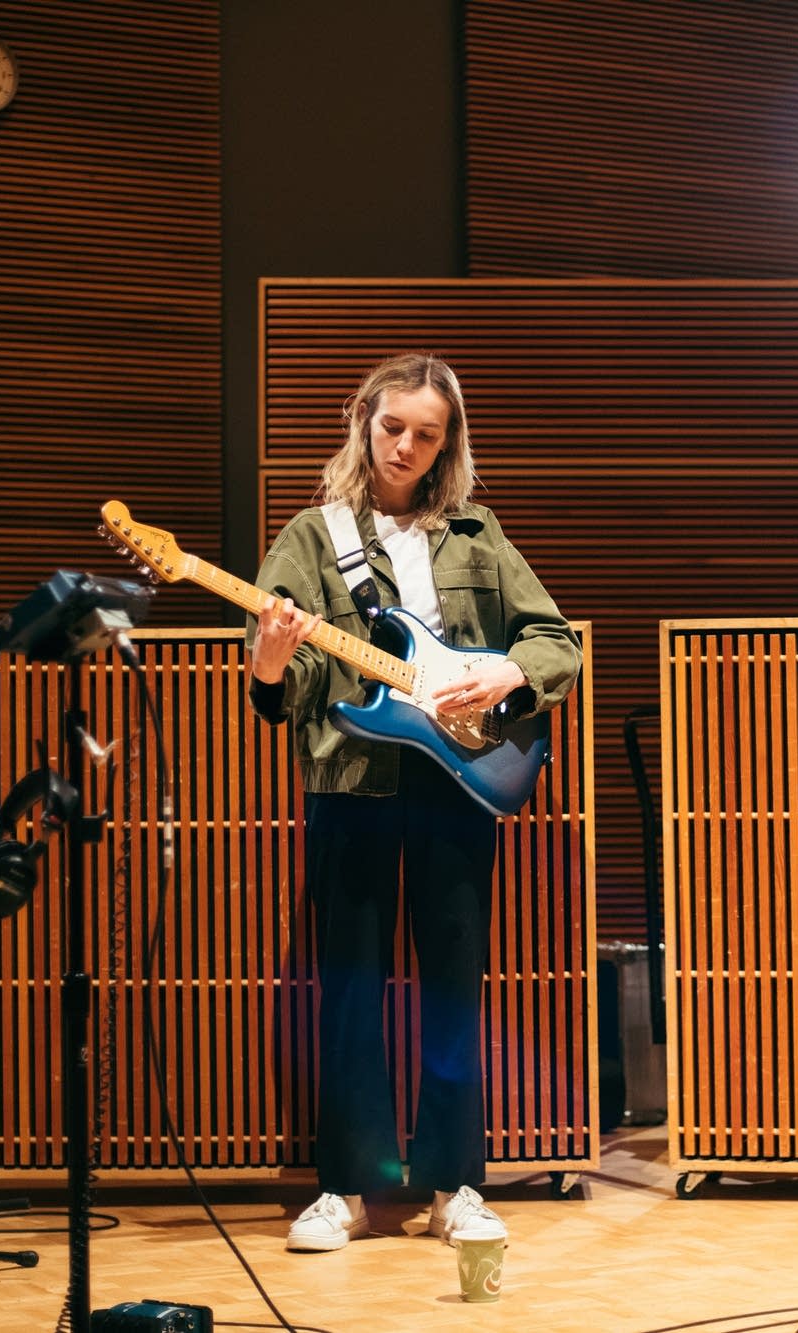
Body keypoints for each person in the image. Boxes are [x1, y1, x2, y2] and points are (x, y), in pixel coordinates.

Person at [246, 352, 578, 1255]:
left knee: (452, 990)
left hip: (459, 784)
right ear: (364, 420)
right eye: (393, 426)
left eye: (426, 434)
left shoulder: (477, 532)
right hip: (349, 785)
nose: (405, 445)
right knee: (347, 987)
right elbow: (295, 676)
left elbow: (553, 639)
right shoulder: (311, 537)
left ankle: (454, 1184)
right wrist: (274, 659)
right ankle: (347, 1188)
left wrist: (510, 669)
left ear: (446, 444)